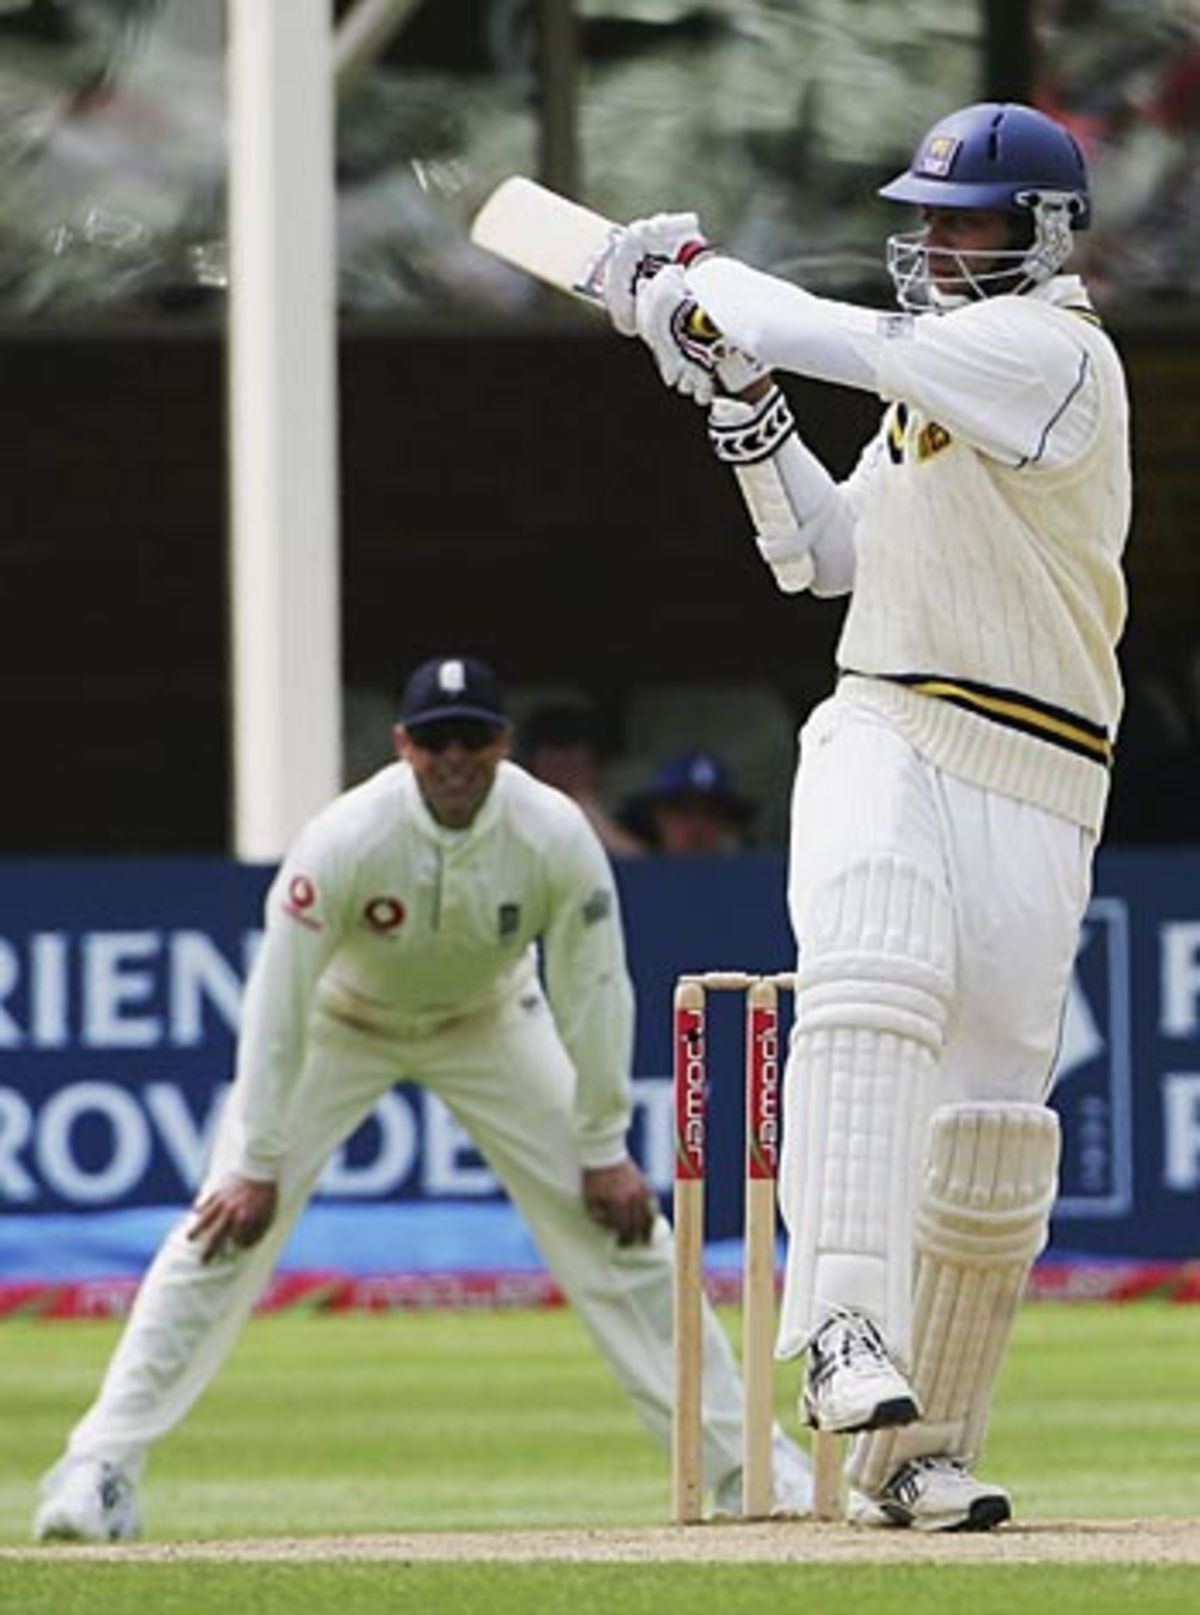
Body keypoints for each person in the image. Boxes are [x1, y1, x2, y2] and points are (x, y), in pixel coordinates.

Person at [599, 102, 1131, 1531]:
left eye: (970, 222)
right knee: (872, 973)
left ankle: (918, 1454)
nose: (939, 244)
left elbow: (834, 334)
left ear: (1045, 234)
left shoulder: (1049, 357)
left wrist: (694, 283)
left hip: (1045, 772)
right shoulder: (936, 386)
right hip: (888, 717)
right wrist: (739, 403)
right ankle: (841, 1324)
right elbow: (829, 557)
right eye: (929, 221)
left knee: (991, 1133)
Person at [33, 654, 811, 1541]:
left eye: (472, 738)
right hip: (341, 1018)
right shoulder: (347, 836)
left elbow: (596, 987)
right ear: (404, 744)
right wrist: (256, 1159)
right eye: (437, 741)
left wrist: (603, 1146)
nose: (455, 759)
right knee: (222, 1228)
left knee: (625, 1233)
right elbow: (278, 995)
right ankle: (98, 1468)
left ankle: (747, 1464)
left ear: (502, 743)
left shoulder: (552, 833)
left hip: (490, 1016)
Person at [518, 700, 649, 858]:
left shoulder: (633, 816)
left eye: (573, 764)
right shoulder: (512, 812)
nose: (563, 771)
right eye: (552, 764)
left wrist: (588, 811)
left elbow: (650, 866)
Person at [621, 749, 754, 855]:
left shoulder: (747, 876)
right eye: (681, 811)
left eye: (709, 813)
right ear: (657, 817)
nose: (697, 825)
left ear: (725, 823)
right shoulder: (637, 874)